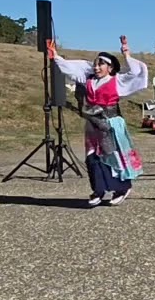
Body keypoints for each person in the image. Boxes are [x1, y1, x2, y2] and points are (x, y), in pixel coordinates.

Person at [49, 36, 146, 206]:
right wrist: (56, 56)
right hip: (93, 124)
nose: (96, 67)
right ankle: (98, 190)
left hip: (111, 124)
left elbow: (136, 73)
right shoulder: (89, 81)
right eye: (95, 63)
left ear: (110, 67)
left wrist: (126, 53)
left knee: (113, 156)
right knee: (92, 157)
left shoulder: (117, 81)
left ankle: (121, 188)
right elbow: (71, 69)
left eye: (101, 64)